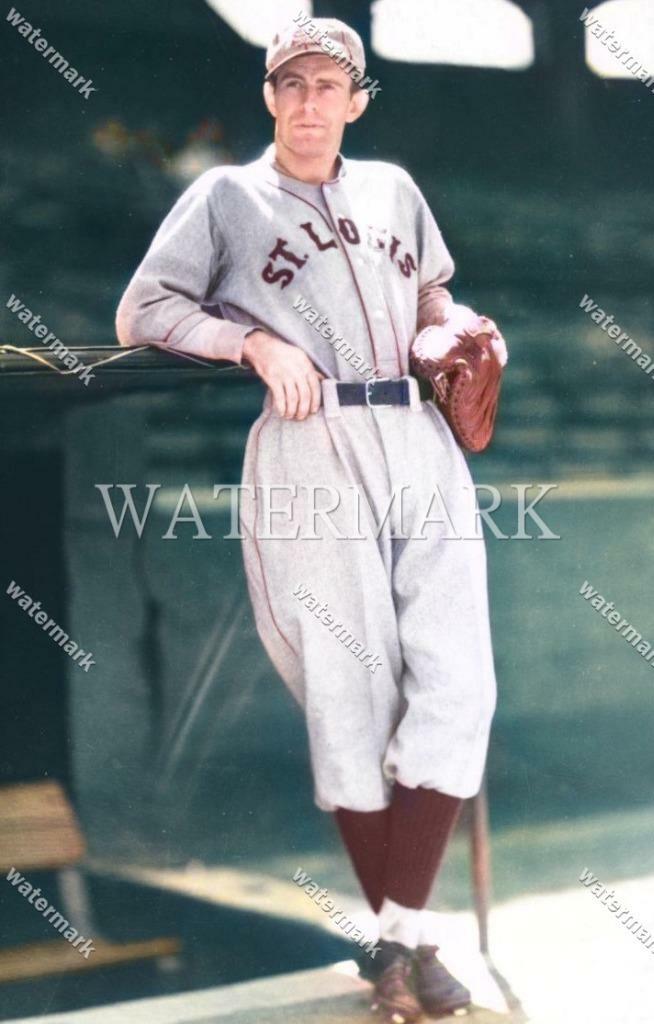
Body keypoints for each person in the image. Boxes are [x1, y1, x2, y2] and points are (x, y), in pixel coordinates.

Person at [116, 18, 502, 1022]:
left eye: (329, 85)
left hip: (416, 436)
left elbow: (432, 298)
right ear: (268, 95)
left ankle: (398, 938)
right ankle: (413, 957)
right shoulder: (225, 197)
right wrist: (247, 342)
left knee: (460, 683)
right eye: (290, 83)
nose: (309, 102)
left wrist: (451, 332)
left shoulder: (395, 190)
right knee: (351, 696)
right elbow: (144, 310)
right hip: (310, 440)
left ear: (358, 99)